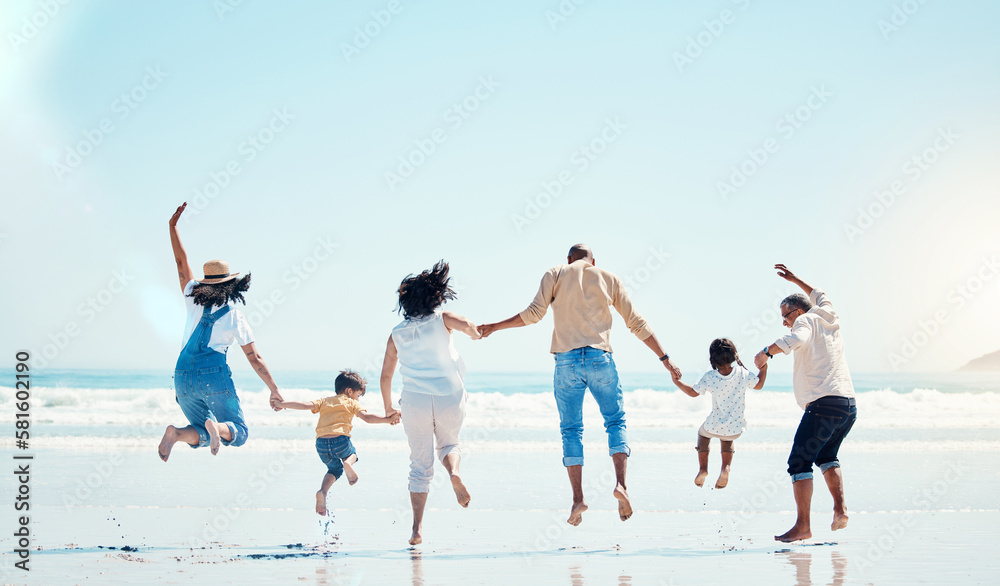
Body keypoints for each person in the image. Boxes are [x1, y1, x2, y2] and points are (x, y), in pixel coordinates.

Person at [479, 244, 680, 526]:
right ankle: (621, 485)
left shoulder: (555, 273)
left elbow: (534, 314)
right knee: (615, 422)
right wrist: (665, 359)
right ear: (593, 261)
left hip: (566, 362)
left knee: (571, 429)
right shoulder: (608, 277)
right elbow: (636, 322)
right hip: (601, 358)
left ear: (569, 259)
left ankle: (578, 499)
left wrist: (495, 326)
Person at [159, 202, 283, 461]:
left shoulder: (191, 297)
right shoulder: (234, 316)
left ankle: (176, 434)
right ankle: (217, 427)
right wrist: (273, 388)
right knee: (239, 432)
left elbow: (180, 261)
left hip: (182, 374)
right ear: (231, 284)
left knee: (200, 432)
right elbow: (254, 358)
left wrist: (172, 227)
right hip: (211, 375)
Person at [379, 260, 481, 545]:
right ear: (434, 297)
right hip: (450, 395)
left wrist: (388, 408)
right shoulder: (443, 319)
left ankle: (416, 529)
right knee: (449, 444)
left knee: (419, 465)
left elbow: (385, 375)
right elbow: (470, 327)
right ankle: (455, 473)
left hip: (414, 401)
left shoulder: (396, 333)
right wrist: (476, 332)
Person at [754, 264, 857, 543]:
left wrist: (765, 353)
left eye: (785, 316)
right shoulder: (829, 314)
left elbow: (796, 338)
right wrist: (794, 278)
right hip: (847, 405)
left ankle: (803, 526)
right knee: (826, 456)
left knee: (799, 461)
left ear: (798, 312)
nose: (784, 321)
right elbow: (819, 293)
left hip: (824, 404)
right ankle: (840, 510)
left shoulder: (805, 322)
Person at [276, 370, 399, 516]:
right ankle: (348, 463)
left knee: (334, 470)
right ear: (349, 391)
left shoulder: (324, 401)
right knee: (352, 454)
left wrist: (281, 403)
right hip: (340, 440)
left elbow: (303, 405)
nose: (358, 399)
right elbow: (367, 418)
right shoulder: (351, 403)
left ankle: (322, 492)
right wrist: (387, 420)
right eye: (358, 395)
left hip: (321, 444)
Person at [670, 338, 767, 489]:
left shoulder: (710, 377)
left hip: (714, 425)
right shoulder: (743, 373)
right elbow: (759, 385)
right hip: (736, 428)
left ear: (712, 359)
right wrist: (763, 368)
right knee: (727, 439)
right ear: (734, 355)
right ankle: (725, 468)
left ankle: (703, 469)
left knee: (702, 434)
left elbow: (692, 392)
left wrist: (677, 382)